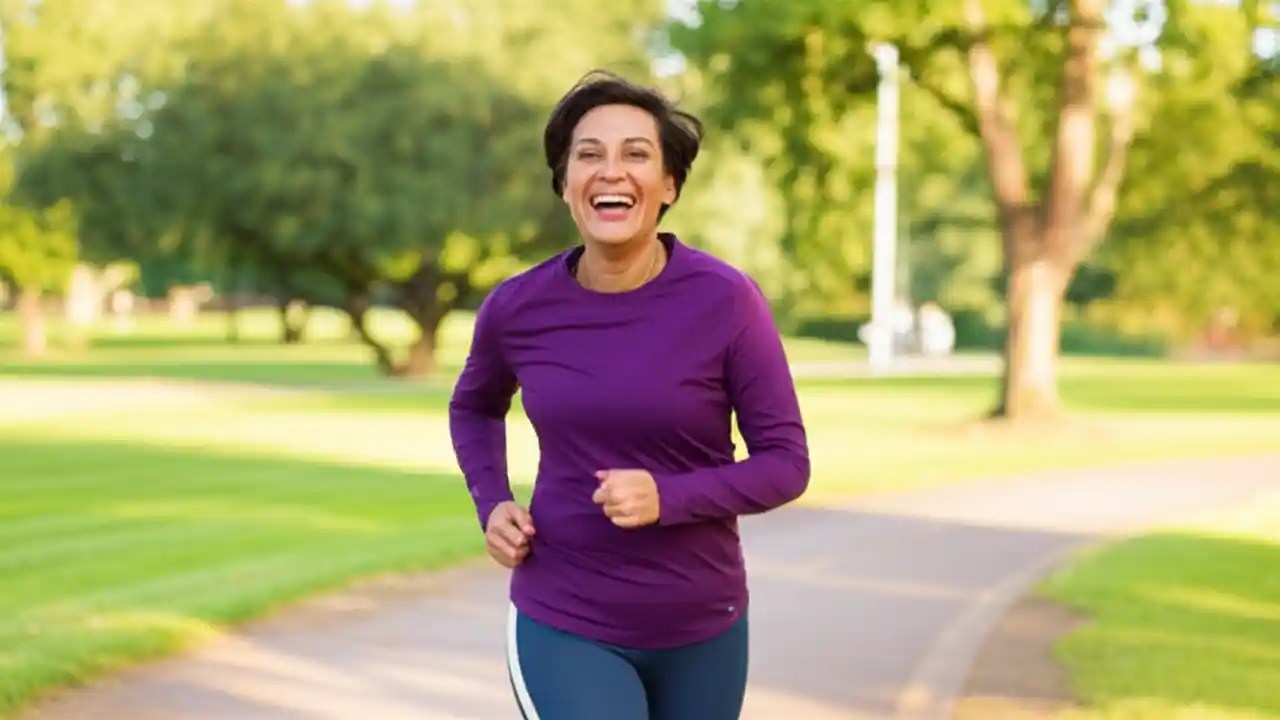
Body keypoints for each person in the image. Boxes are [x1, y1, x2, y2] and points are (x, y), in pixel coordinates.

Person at [448, 70, 810, 720]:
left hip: (705, 624)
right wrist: (492, 500)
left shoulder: (727, 301)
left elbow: (786, 462)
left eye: (635, 154)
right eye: (589, 155)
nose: (610, 172)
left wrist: (668, 496)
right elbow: (475, 405)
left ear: (668, 185)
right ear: (565, 183)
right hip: (566, 616)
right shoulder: (517, 307)